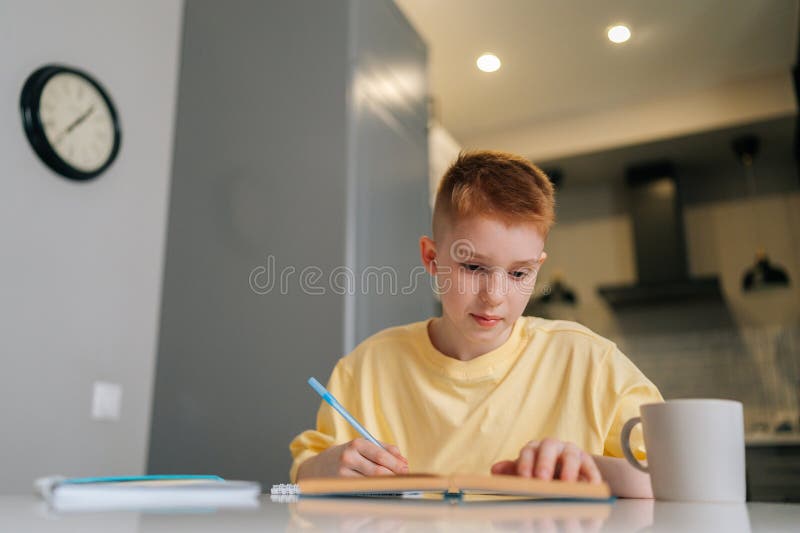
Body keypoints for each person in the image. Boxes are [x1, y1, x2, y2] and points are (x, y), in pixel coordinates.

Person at [290, 150, 662, 497]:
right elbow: (303, 479)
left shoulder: (591, 363)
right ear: (432, 258)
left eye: (519, 273)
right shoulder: (366, 369)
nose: (495, 295)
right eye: (473, 267)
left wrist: (590, 467)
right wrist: (318, 470)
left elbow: (672, 479)